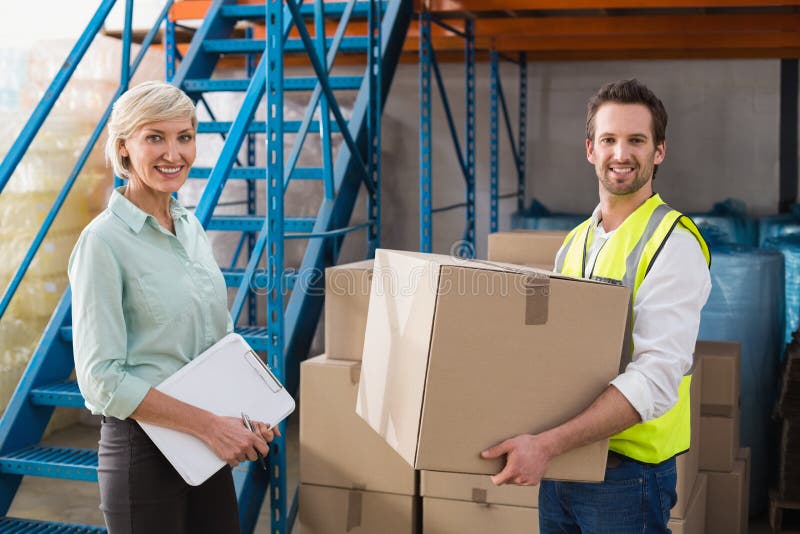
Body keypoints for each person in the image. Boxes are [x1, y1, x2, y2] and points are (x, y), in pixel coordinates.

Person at [481, 79, 712, 532]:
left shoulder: (673, 242)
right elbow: (555, 353)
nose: (621, 154)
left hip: (627, 475)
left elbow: (658, 377)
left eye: (636, 140)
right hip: (564, 462)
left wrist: (548, 444)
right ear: (590, 149)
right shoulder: (576, 242)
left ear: (659, 151)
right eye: (609, 139)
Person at [68, 81, 278, 534]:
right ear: (124, 148)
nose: (173, 153)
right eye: (154, 138)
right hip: (142, 451)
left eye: (184, 137)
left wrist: (247, 412)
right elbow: (101, 378)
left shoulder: (189, 225)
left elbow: (214, 341)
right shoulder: (102, 243)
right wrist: (209, 426)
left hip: (205, 441)